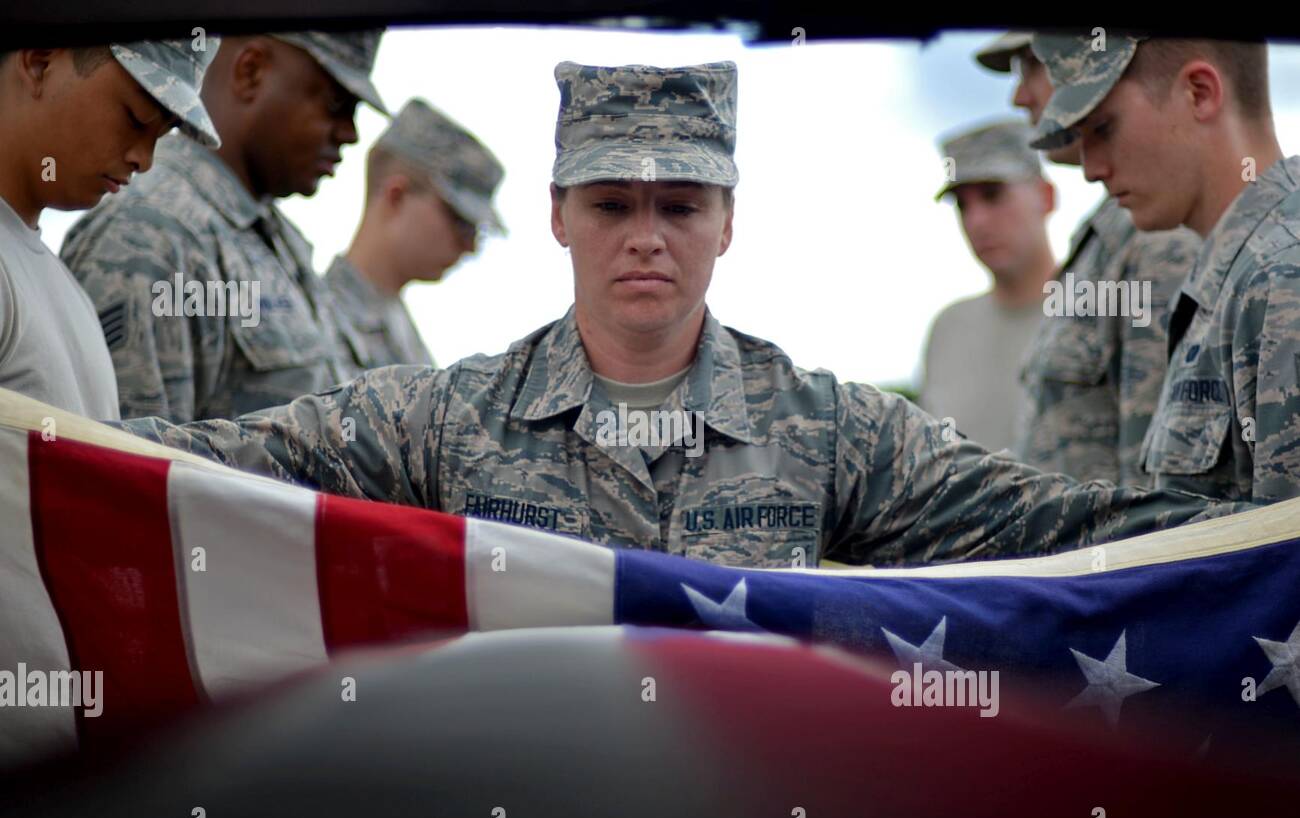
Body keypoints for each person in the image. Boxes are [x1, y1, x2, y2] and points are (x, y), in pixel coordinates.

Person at [118, 60, 1242, 569]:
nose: (645, 235)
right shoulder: (448, 419)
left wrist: (1254, 544)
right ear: (559, 217)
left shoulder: (825, 429)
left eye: (679, 205)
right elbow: (203, 465)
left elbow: (1058, 526)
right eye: (611, 204)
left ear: (727, 222)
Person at [61, 30, 388, 423]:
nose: (350, 134)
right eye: (336, 103)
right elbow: (131, 469)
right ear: (250, 71)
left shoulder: (270, 237)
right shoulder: (151, 238)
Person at [1030, 31, 1300, 505]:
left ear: (1200, 92)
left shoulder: (1281, 278)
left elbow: (1285, 564)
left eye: (1104, 128)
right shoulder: (1236, 276)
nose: (1089, 167)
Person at [974, 31, 1200, 484]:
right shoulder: (1110, 232)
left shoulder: (1155, 238)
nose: (1019, 97)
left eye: (1034, 64)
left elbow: (1159, 492)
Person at [0, 39, 218, 417]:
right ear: (39, 64)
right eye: (136, 118)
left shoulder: (70, 294)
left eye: (162, 137)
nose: (145, 160)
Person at [328, 98, 506, 371]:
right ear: (396, 196)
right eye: (460, 222)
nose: (469, 246)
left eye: (476, 232)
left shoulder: (402, 332)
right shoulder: (317, 315)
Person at [922, 119, 1055, 452]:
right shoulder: (949, 328)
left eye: (993, 195)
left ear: (1046, 196)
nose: (976, 221)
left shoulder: (1101, 312)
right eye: (962, 205)